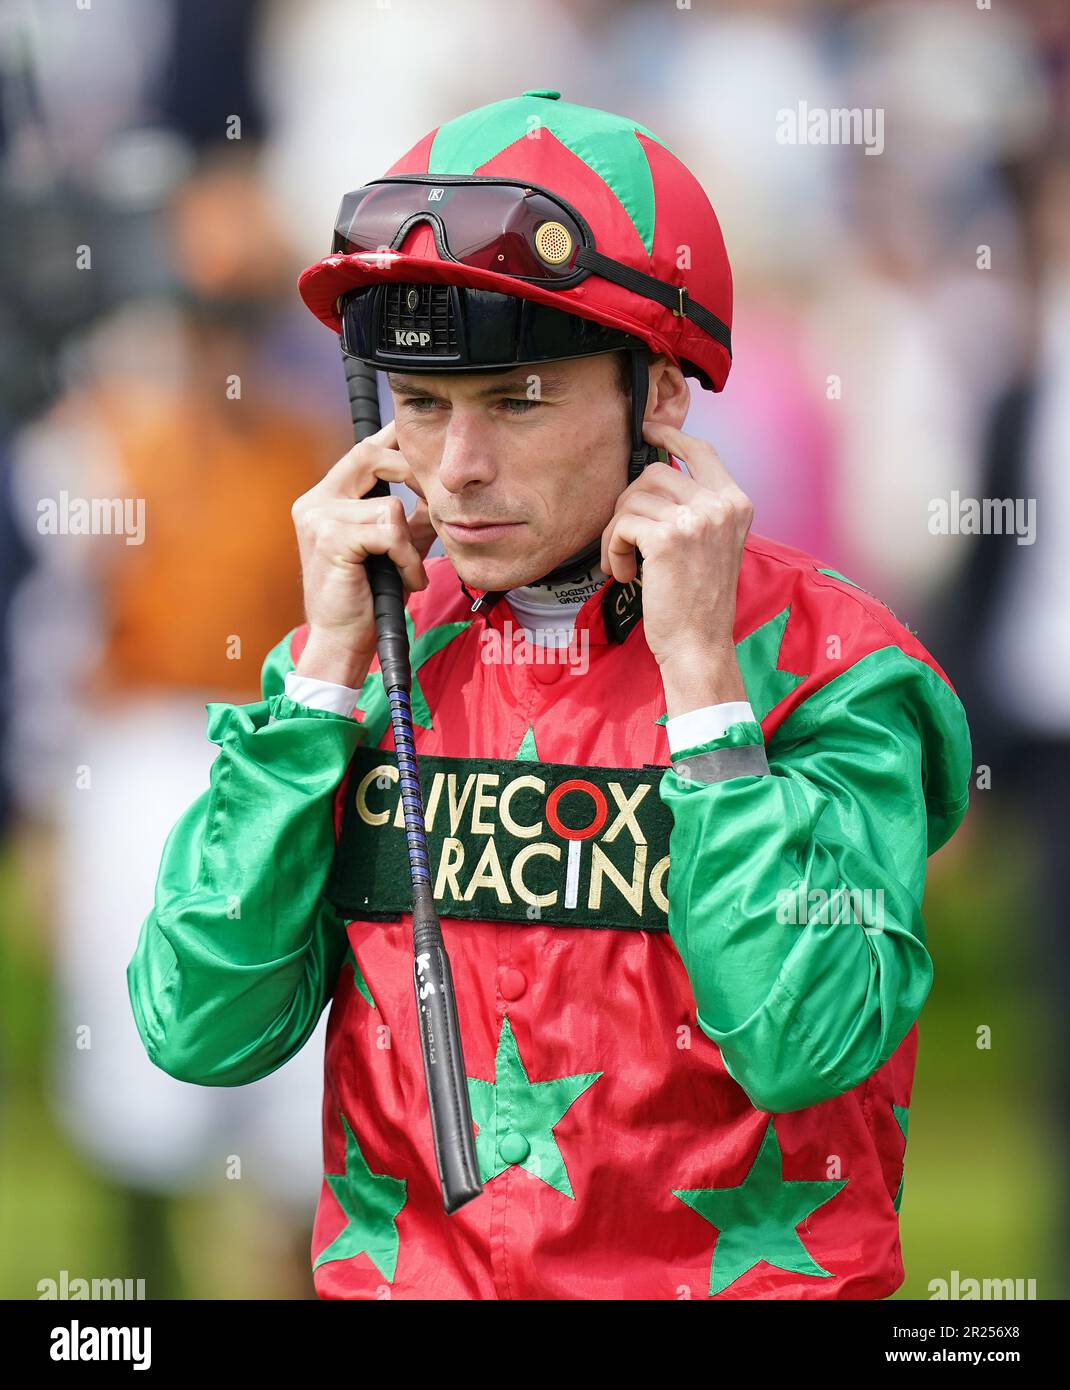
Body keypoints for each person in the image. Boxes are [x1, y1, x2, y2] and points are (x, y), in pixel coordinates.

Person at [128, 90, 972, 1300]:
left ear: (662, 397)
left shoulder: (838, 664)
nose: (459, 468)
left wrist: (700, 687)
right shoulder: (355, 656)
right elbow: (200, 1028)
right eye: (421, 405)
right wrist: (318, 679)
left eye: (519, 401)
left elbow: (806, 1042)